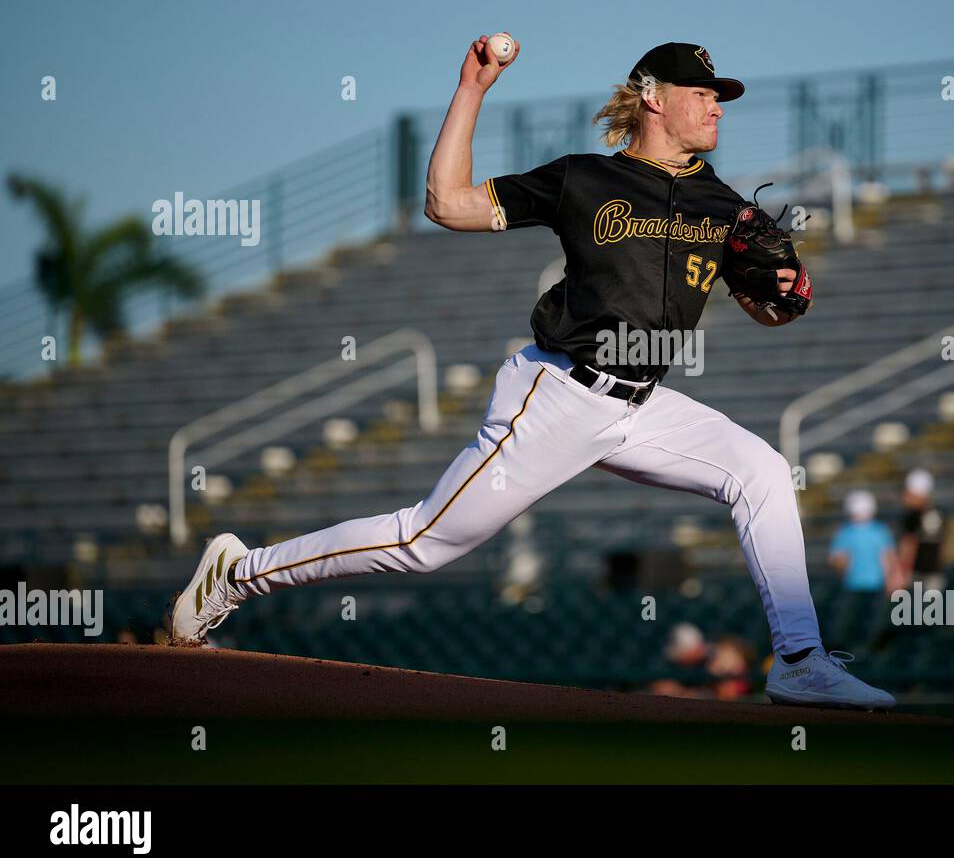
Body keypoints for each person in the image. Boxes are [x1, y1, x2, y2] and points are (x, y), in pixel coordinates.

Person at [164, 37, 895, 712]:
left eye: (719, 95)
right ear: (652, 96)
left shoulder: (722, 205)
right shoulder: (584, 178)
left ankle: (799, 659)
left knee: (762, 471)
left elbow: (766, 308)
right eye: (700, 91)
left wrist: (788, 296)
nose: (715, 104)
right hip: (559, 394)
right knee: (425, 542)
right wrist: (471, 89)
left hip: (640, 408)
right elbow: (446, 204)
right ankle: (239, 572)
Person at [826, 491, 895, 650]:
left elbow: (837, 560)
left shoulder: (846, 532)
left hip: (860, 584)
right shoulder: (879, 531)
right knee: (866, 624)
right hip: (867, 584)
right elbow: (889, 558)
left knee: (860, 623)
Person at [897, 468, 945, 590]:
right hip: (935, 571)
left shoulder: (913, 516)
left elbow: (909, 544)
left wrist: (902, 571)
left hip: (917, 572)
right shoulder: (940, 513)